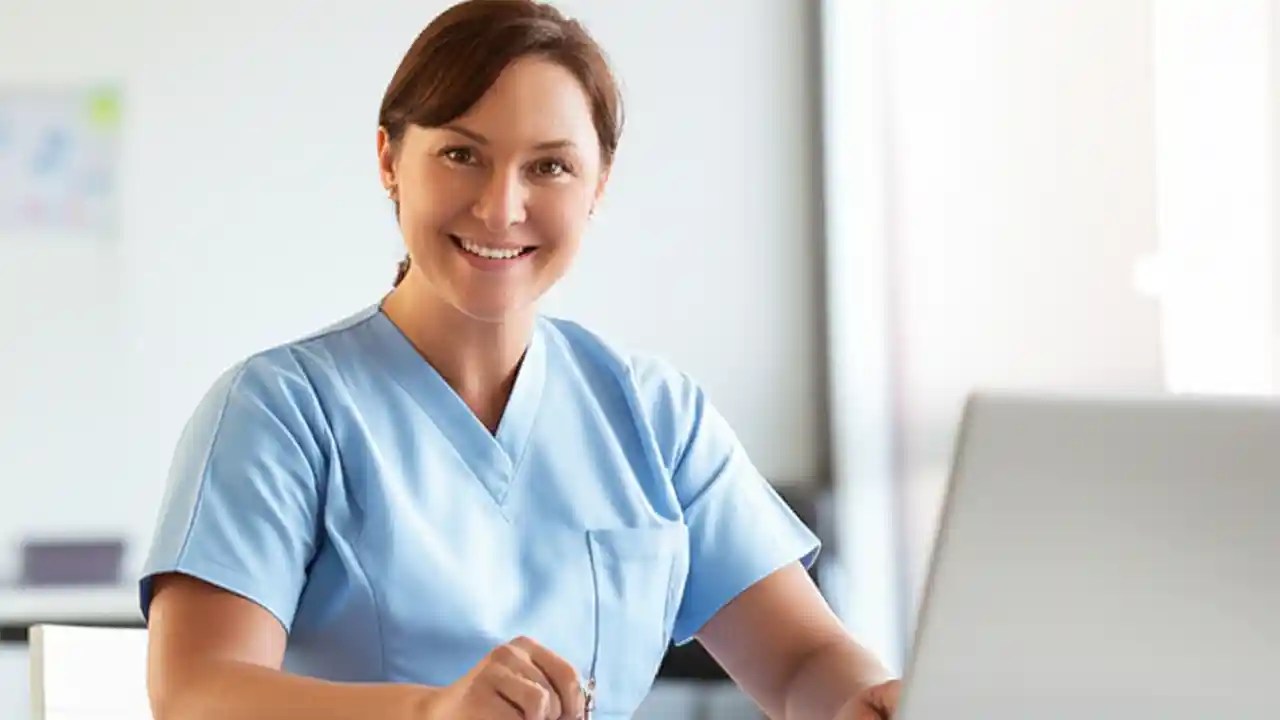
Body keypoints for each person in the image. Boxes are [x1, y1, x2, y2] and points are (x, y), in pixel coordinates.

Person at [139, 1, 900, 718]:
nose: (501, 207)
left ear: (599, 182)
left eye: (550, 167)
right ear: (389, 161)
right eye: (461, 154)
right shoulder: (279, 411)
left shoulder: (657, 417)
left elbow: (803, 661)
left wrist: (870, 699)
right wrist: (433, 711)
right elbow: (199, 695)